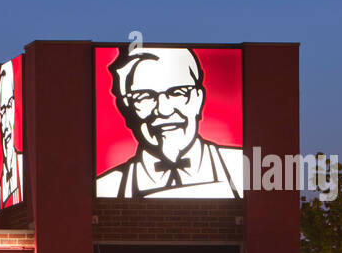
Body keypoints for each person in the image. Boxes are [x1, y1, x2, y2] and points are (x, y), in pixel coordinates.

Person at [96, 47, 242, 199]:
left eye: (177, 93)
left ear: (198, 99)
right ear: (126, 108)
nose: (164, 110)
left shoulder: (241, 169)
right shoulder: (107, 187)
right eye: (145, 96)